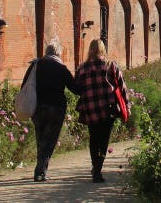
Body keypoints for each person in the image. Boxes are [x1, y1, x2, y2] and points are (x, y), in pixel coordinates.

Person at [21, 43, 79, 183]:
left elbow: (24, 85)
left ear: (46, 53)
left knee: (41, 139)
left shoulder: (35, 65)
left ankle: (40, 169)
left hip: (38, 108)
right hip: (56, 109)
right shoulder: (61, 69)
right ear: (58, 54)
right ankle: (40, 171)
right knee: (50, 140)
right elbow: (75, 89)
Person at [75, 39, 128, 183]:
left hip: (90, 109)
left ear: (90, 50)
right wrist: (126, 106)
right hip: (108, 109)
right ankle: (97, 169)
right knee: (104, 140)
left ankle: (95, 167)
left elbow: (77, 88)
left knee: (94, 139)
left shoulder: (82, 68)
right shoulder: (111, 66)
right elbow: (122, 88)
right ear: (103, 49)